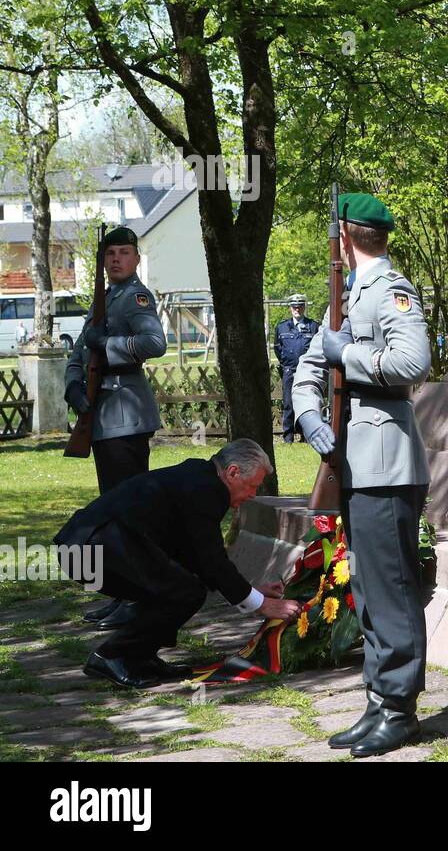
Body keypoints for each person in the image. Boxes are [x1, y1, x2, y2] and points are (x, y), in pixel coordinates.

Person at [292, 192, 432, 758]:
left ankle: (400, 709)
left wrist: (347, 354)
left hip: (386, 466)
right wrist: (309, 419)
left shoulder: (391, 290)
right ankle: (378, 700)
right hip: (352, 462)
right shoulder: (345, 294)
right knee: (369, 590)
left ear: (345, 239)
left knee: (392, 591)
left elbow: (413, 361)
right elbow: (306, 369)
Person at [53, 440, 303, 689]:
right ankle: (111, 655)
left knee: (178, 588)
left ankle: (140, 657)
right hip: (95, 548)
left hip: (82, 547)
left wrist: (251, 591)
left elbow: (199, 558)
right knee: (184, 593)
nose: (252, 495)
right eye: (252, 486)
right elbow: (212, 561)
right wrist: (263, 605)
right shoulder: (207, 489)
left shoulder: (199, 478)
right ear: (233, 472)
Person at [63, 225, 167, 631]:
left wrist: (106, 346)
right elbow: (80, 349)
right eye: (111, 254)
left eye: (124, 252)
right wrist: (73, 383)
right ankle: (125, 593)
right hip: (104, 419)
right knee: (114, 512)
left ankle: (140, 597)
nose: (117, 259)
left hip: (126, 417)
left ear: (136, 259)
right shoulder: (105, 298)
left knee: (130, 514)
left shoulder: (138, 297)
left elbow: (154, 343)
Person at [273, 295, 320, 444]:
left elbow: (317, 347)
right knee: (288, 404)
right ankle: (288, 438)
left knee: (307, 403)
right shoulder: (282, 327)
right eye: (294, 307)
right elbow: (277, 348)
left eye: (300, 306)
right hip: (289, 371)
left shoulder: (313, 326)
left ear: (304, 307)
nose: (297, 309)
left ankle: (305, 436)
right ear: (290, 308)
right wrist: (286, 363)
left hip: (307, 371)